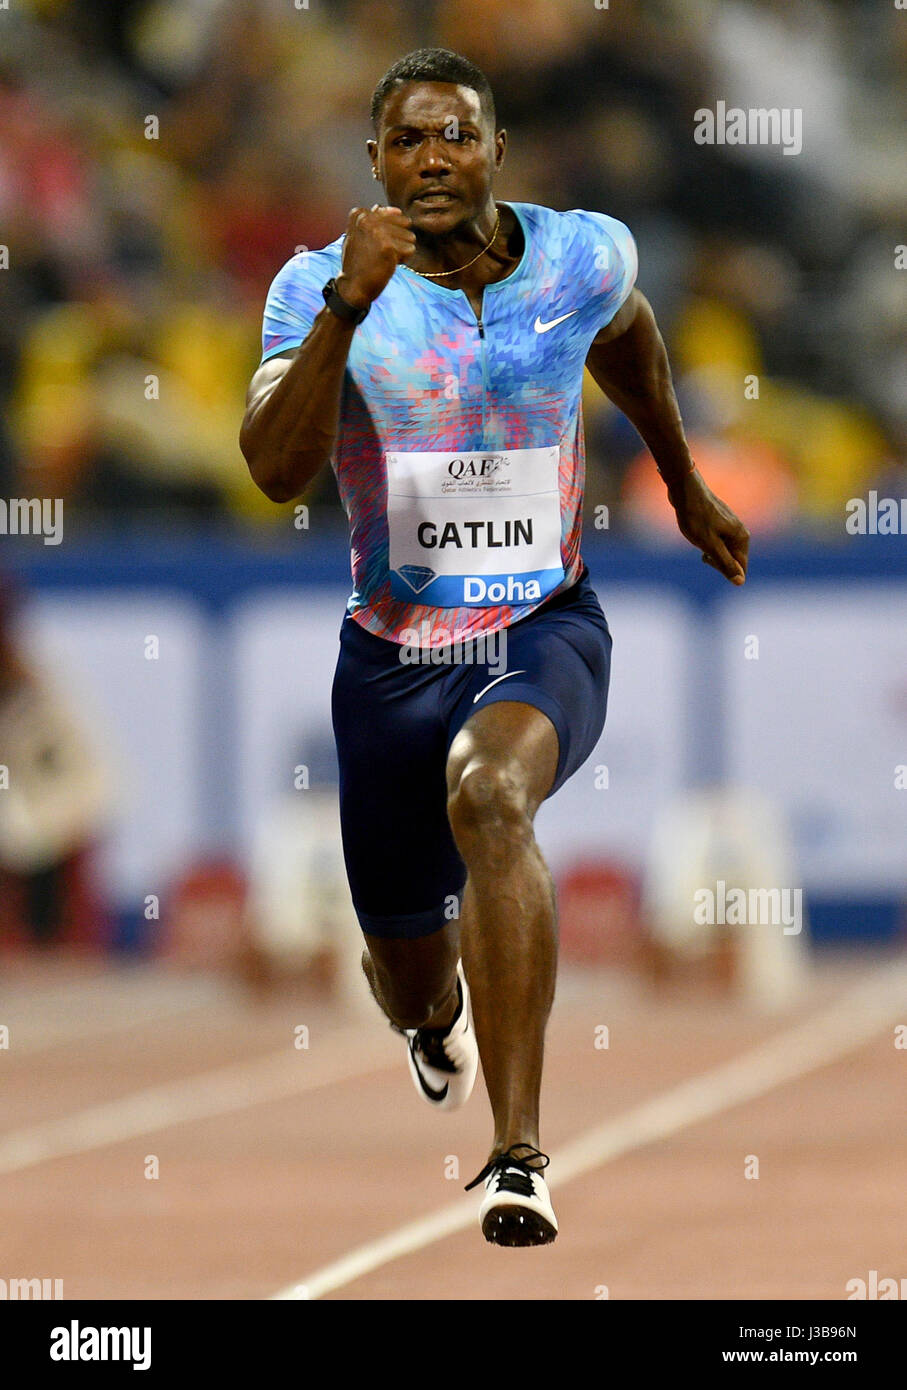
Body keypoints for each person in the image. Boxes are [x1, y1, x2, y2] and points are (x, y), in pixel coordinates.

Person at [240, 47, 748, 1246]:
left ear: (494, 152)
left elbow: (624, 334)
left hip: (541, 625)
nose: (431, 160)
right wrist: (346, 308)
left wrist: (680, 479)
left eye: (454, 136)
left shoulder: (580, 254)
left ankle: (518, 1154)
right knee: (409, 967)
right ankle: (429, 1014)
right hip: (390, 664)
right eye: (407, 141)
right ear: (371, 163)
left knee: (494, 797)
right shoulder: (315, 286)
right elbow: (271, 469)